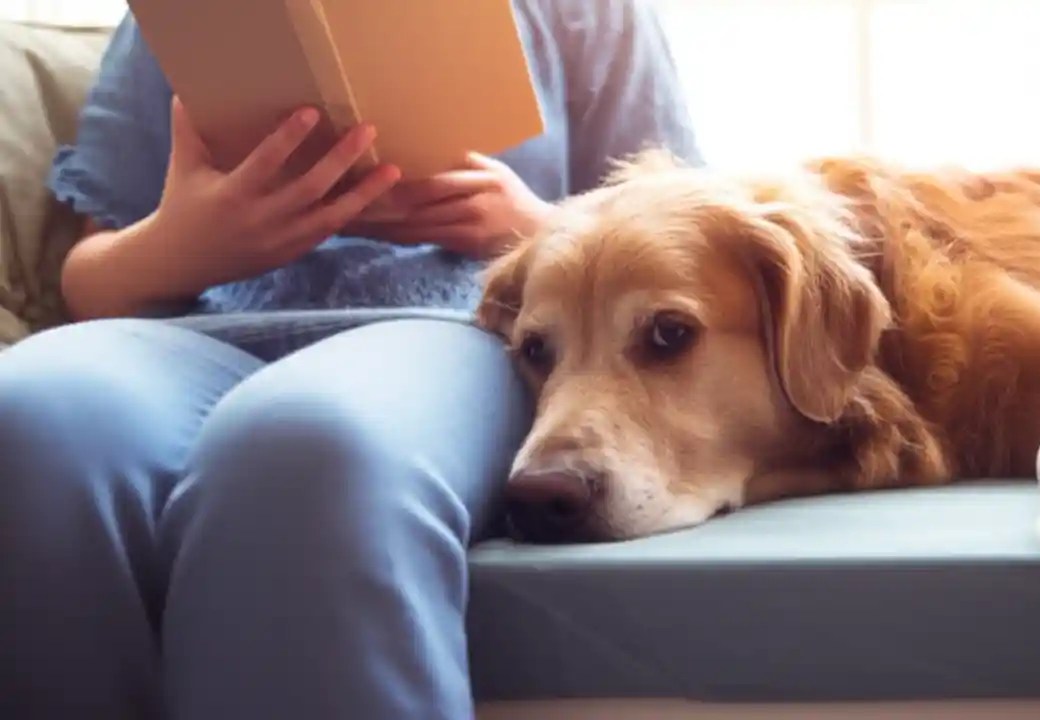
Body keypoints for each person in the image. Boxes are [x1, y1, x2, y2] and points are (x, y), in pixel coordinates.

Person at [0, 1, 701, 718]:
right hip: (199, 327)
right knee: (31, 414)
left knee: (305, 443)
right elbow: (91, 279)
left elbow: (672, 235)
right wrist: (193, 242)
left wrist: (529, 228)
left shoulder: (586, 13)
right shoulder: (181, 17)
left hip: (454, 325)